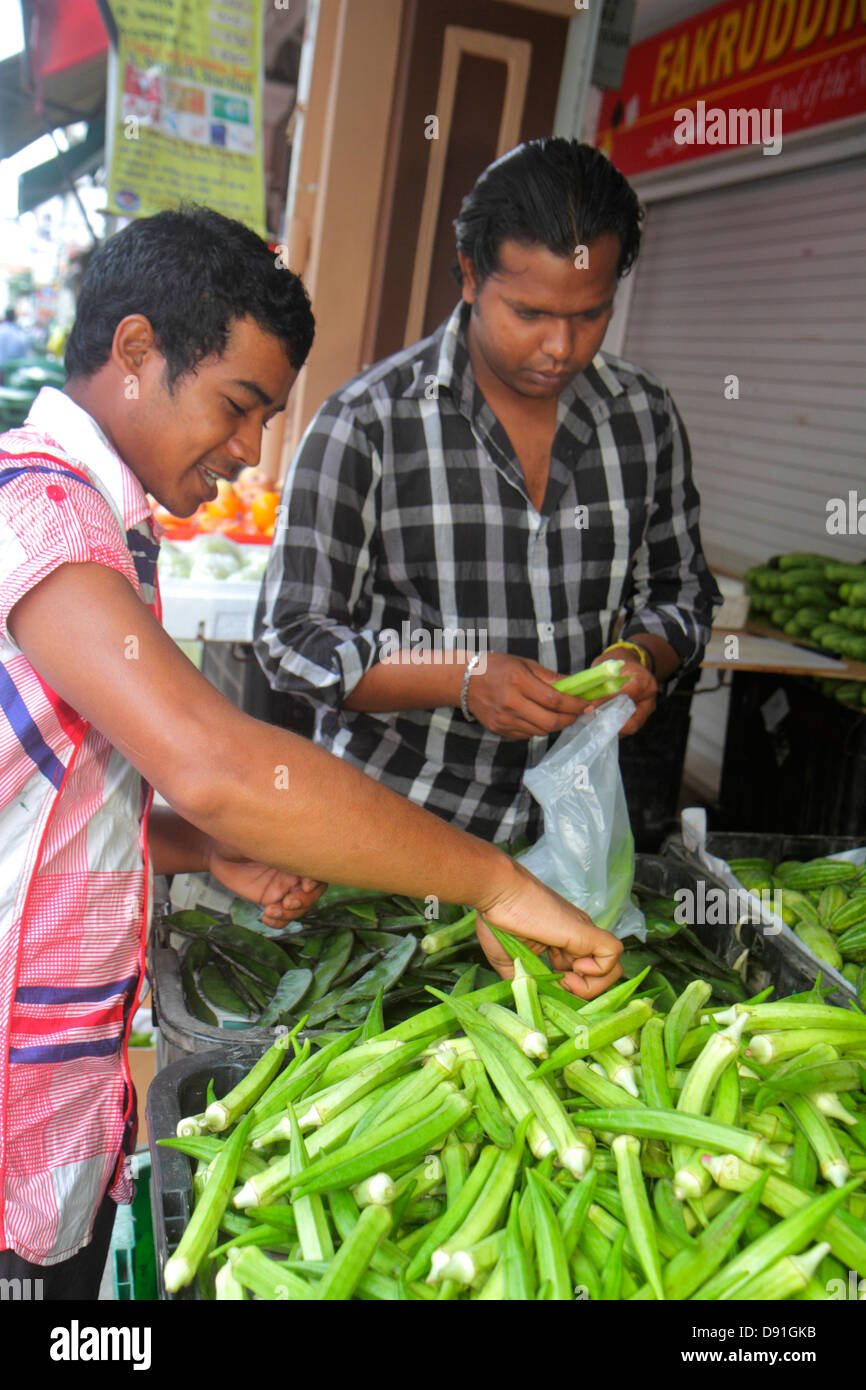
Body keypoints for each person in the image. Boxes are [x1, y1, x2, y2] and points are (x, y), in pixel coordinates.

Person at [0, 205, 620, 1298]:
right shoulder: (45, 517)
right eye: (238, 408)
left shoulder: (100, 516)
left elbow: (49, 796)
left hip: (55, 1096)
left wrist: (193, 848)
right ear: (137, 353)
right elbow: (223, 762)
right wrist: (494, 881)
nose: (247, 452)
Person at [255, 139, 722, 845]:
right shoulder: (368, 423)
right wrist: (462, 678)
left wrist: (640, 658)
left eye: (589, 314)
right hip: (393, 831)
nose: (561, 346)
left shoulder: (643, 416)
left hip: (569, 835)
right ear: (472, 276)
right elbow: (292, 640)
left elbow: (680, 591)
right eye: (530, 313)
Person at [0, 306, 32, 376]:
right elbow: (25, 354)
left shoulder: (2, 330)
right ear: (15, 317)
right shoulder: (20, 335)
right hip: (11, 372)